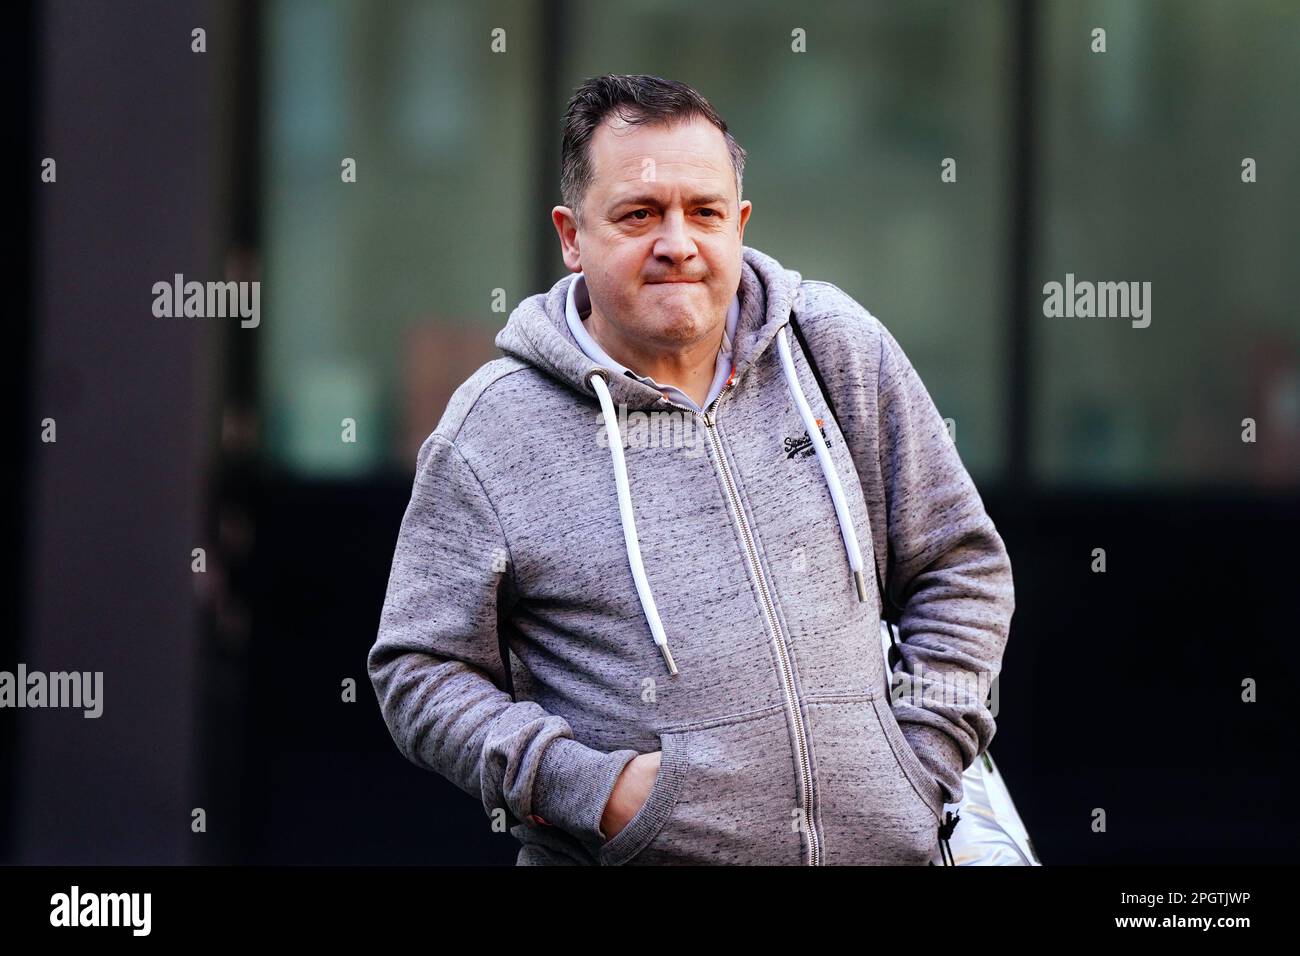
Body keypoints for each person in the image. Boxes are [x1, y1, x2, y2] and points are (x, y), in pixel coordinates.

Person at [368, 73, 1015, 865]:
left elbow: (960, 566)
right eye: (639, 214)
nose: (677, 242)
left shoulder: (834, 349)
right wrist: (590, 793)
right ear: (572, 236)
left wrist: (919, 761)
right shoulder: (494, 429)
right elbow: (419, 668)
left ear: (739, 223)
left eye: (703, 212)